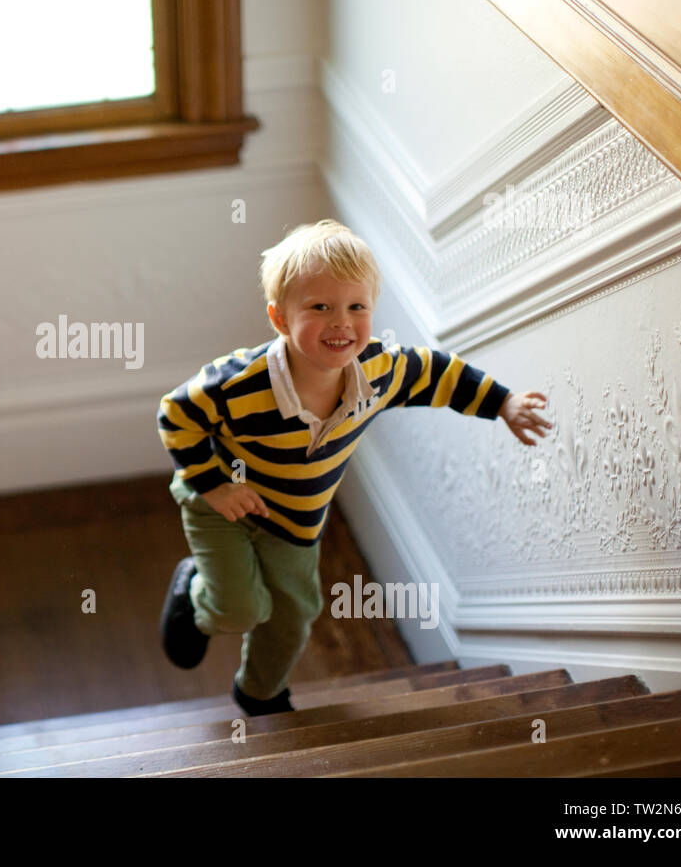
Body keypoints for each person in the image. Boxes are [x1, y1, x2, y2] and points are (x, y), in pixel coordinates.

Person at [156, 219, 552, 716]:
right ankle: (195, 594)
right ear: (280, 318)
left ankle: (259, 693)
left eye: (356, 307)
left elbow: (438, 373)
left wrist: (504, 403)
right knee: (242, 608)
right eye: (320, 307)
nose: (341, 322)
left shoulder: (381, 371)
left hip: (294, 524)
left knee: (294, 615)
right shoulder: (239, 381)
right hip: (222, 505)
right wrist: (212, 485)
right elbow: (176, 413)